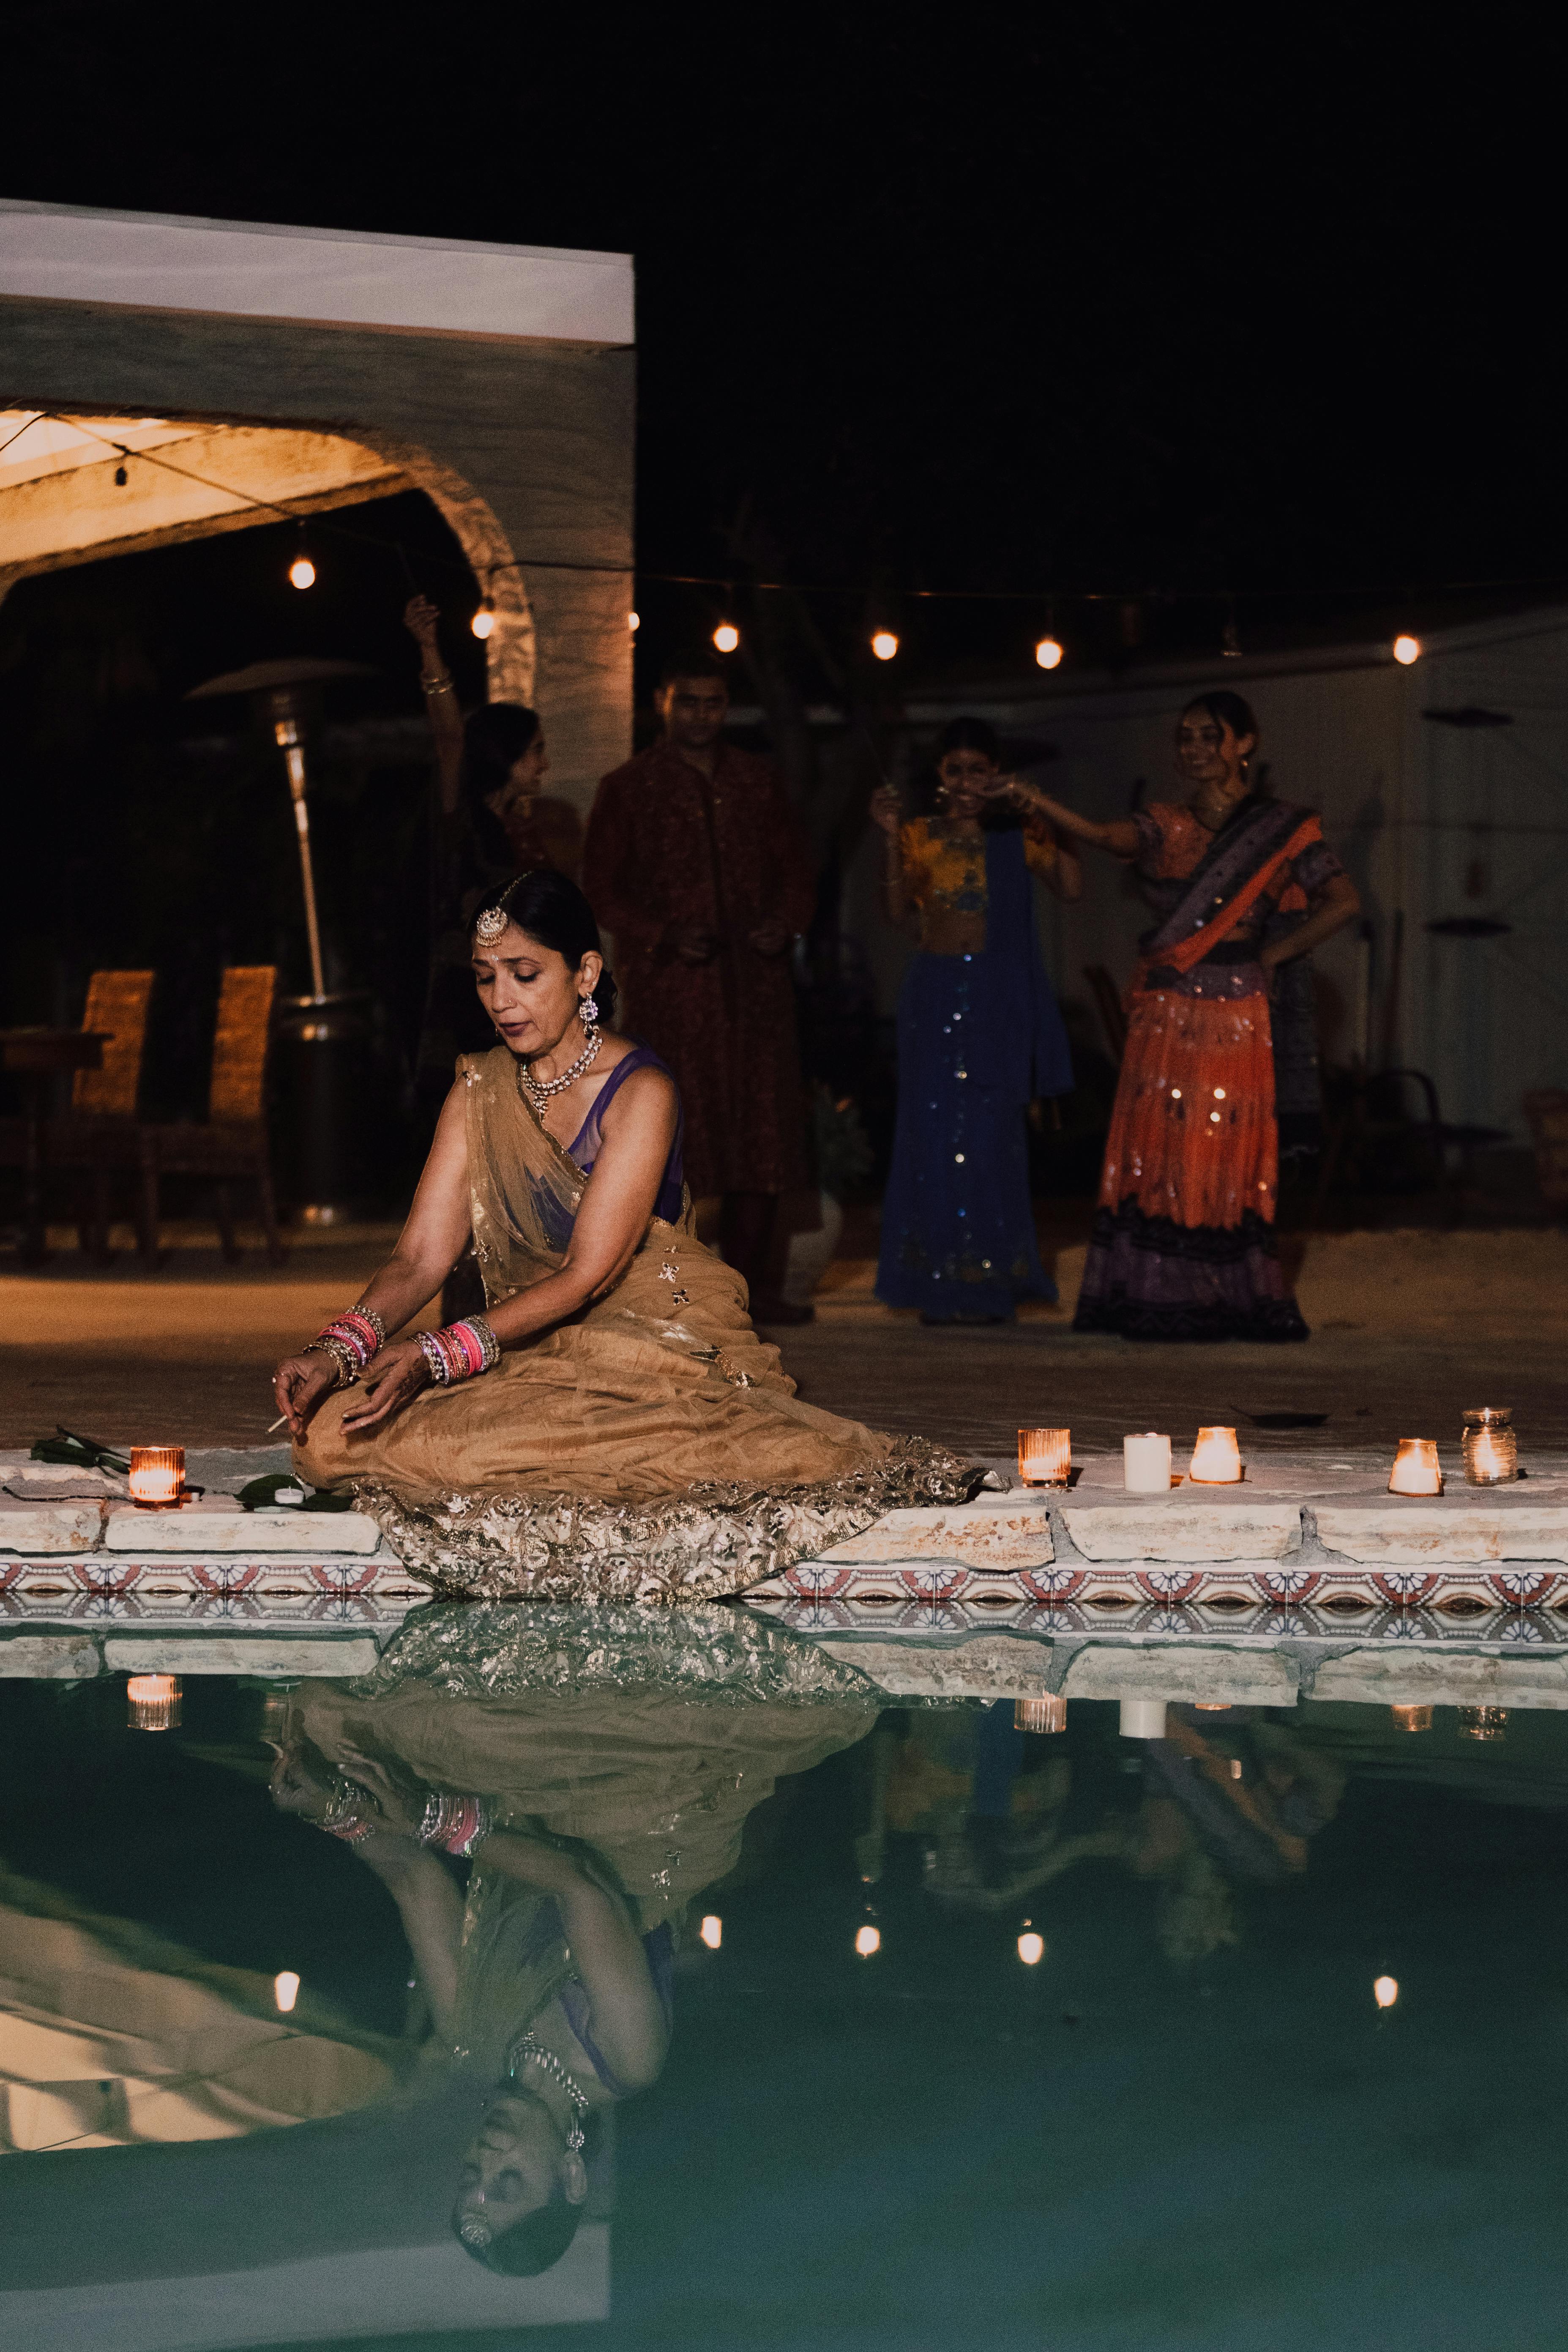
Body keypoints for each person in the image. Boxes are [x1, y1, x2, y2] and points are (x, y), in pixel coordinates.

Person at [273, 867, 968, 1595]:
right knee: (327, 1435)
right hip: (523, 1337)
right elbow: (419, 1257)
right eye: (485, 979)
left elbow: (586, 1277)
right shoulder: (479, 1086)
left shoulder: (641, 1091)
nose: (502, 1001)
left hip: (646, 1334)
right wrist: (338, 1347)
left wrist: (435, 1354)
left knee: (729, 1452)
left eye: (525, 973)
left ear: (586, 974)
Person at [1029, 691, 1360, 1340]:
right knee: (1163, 1145)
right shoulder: (1164, 823)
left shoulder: (1285, 828)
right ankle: (1155, 1295)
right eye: (1185, 737)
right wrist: (1035, 801)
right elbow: (1102, 837)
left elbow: (1342, 901)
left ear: (1245, 743)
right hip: (1168, 1004)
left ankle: (1226, 1295)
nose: (1195, 748)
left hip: (1239, 1005)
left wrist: (1274, 952)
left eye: (1210, 736)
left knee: (1224, 1144)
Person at [582, 651, 816, 1324]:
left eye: (713, 703)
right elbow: (602, 888)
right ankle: (676, 1289)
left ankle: (749, 1289)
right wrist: (661, 933)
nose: (701, 715)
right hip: (673, 992)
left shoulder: (756, 780)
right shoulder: (630, 787)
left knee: (761, 1130)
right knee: (674, 1130)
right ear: (662, 701)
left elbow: (796, 873)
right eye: (688, 701)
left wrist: (784, 924)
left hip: (756, 991)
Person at [870, 716, 1079, 1324]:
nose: (966, 782)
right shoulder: (919, 834)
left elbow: (1070, 888)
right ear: (940, 775)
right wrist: (887, 836)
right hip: (934, 998)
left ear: (996, 775)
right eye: (955, 770)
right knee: (932, 1136)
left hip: (997, 997)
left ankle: (991, 1274)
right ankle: (936, 1275)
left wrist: (1046, 813)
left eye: (978, 771)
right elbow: (891, 911)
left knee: (993, 1137)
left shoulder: (1018, 833)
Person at [404, 595, 582, 1106]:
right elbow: (449, 740)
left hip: (531, 1002)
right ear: (504, 756)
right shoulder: (464, 819)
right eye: (536, 751)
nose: (545, 765)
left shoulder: (522, 827)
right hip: (473, 1000)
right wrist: (429, 646)